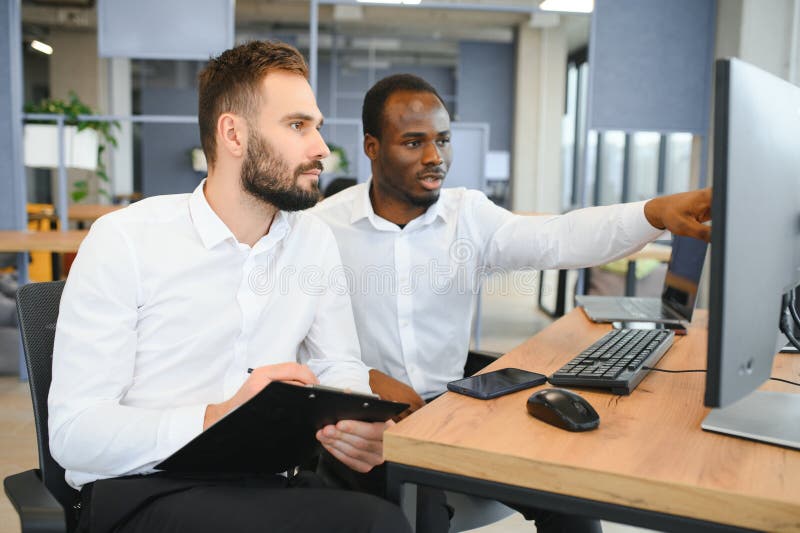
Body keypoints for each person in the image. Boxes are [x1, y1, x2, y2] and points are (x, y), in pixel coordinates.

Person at [309, 73, 713, 532]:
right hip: (363, 417)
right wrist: (367, 378)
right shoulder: (322, 228)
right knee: (422, 512)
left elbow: (557, 238)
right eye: (414, 142)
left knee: (569, 492)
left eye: (443, 140)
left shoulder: (468, 214)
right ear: (372, 147)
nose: (435, 157)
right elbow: (292, 339)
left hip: (453, 407)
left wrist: (654, 213)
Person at [48, 41, 411, 533]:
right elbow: (74, 434)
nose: (321, 148)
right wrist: (218, 416)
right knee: (373, 526)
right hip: (144, 490)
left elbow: (338, 364)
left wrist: (355, 425)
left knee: (395, 508)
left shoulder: (313, 242)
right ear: (233, 134)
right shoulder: (124, 240)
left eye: (317, 127)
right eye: (297, 126)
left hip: (265, 482)